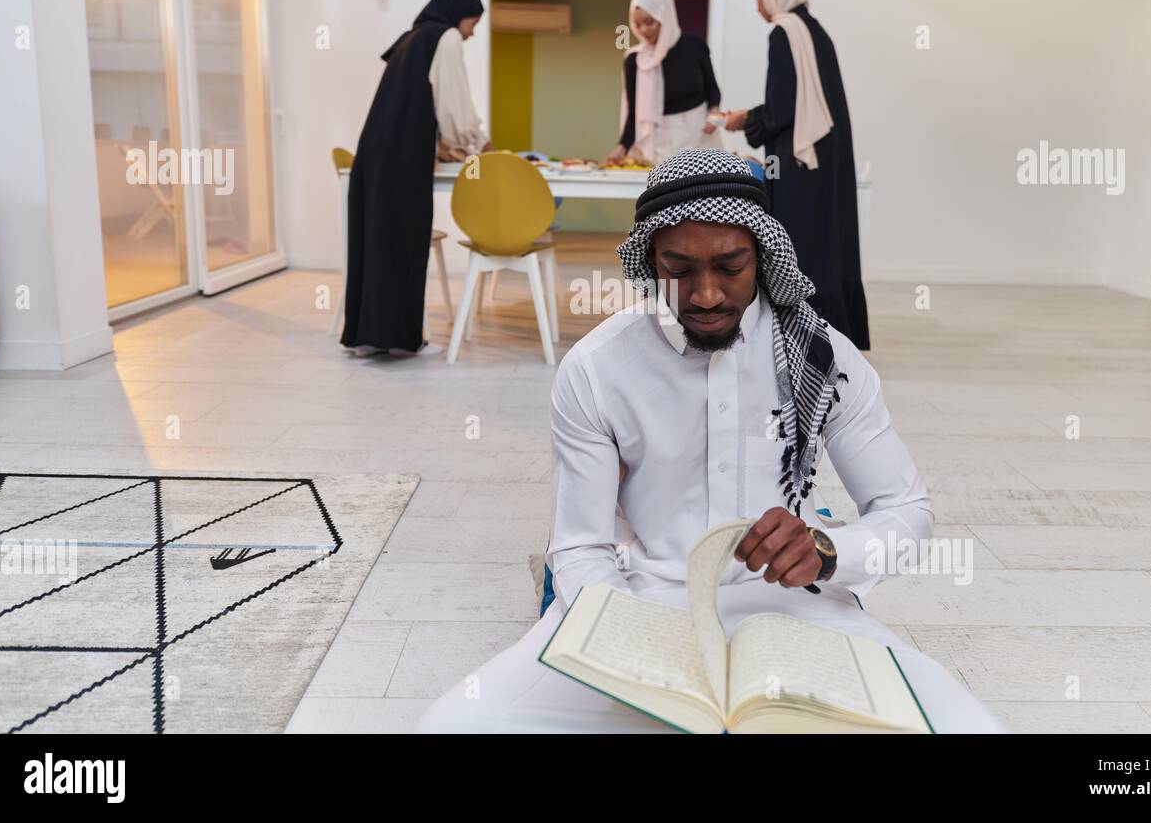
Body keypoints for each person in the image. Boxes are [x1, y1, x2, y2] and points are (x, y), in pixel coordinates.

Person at [414, 150, 1006, 733]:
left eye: (730, 267)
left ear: (762, 256)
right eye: (679, 269)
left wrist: (828, 553)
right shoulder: (598, 368)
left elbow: (907, 513)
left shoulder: (823, 357)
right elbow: (579, 548)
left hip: (798, 610)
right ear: (649, 261)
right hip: (640, 602)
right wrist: (626, 644)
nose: (704, 295)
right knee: (455, 724)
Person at [725, 0, 871, 350]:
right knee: (826, 240)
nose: (758, 6)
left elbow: (782, 110)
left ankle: (798, 331)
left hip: (797, 164)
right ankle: (831, 335)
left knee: (796, 241)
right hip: (826, 160)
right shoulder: (817, 32)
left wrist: (745, 120)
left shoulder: (783, 33)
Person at [340, 0, 490, 357]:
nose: (472, 33)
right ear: (461, 13)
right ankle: (399, 340)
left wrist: (442, 146)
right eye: (474, 22)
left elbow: (415, 104)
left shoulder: (411, 39)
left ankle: (367, 337)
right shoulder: (447, 38)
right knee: (404, 243)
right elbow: (454, 106)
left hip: (375, 154)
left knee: (377, 243)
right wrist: (479, 142)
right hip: (404, 160)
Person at [604, 0, 723, 167]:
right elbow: (634, 112)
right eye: (637, 25)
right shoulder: (635, 59)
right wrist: (622, 146)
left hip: (700, 138)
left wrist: (715, 117)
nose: (643, 30)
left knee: (704, 193)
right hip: (661, 145)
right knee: (667, 193)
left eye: (649, 22)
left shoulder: (694, 46)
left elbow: (712, 89)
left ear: (665, 16)